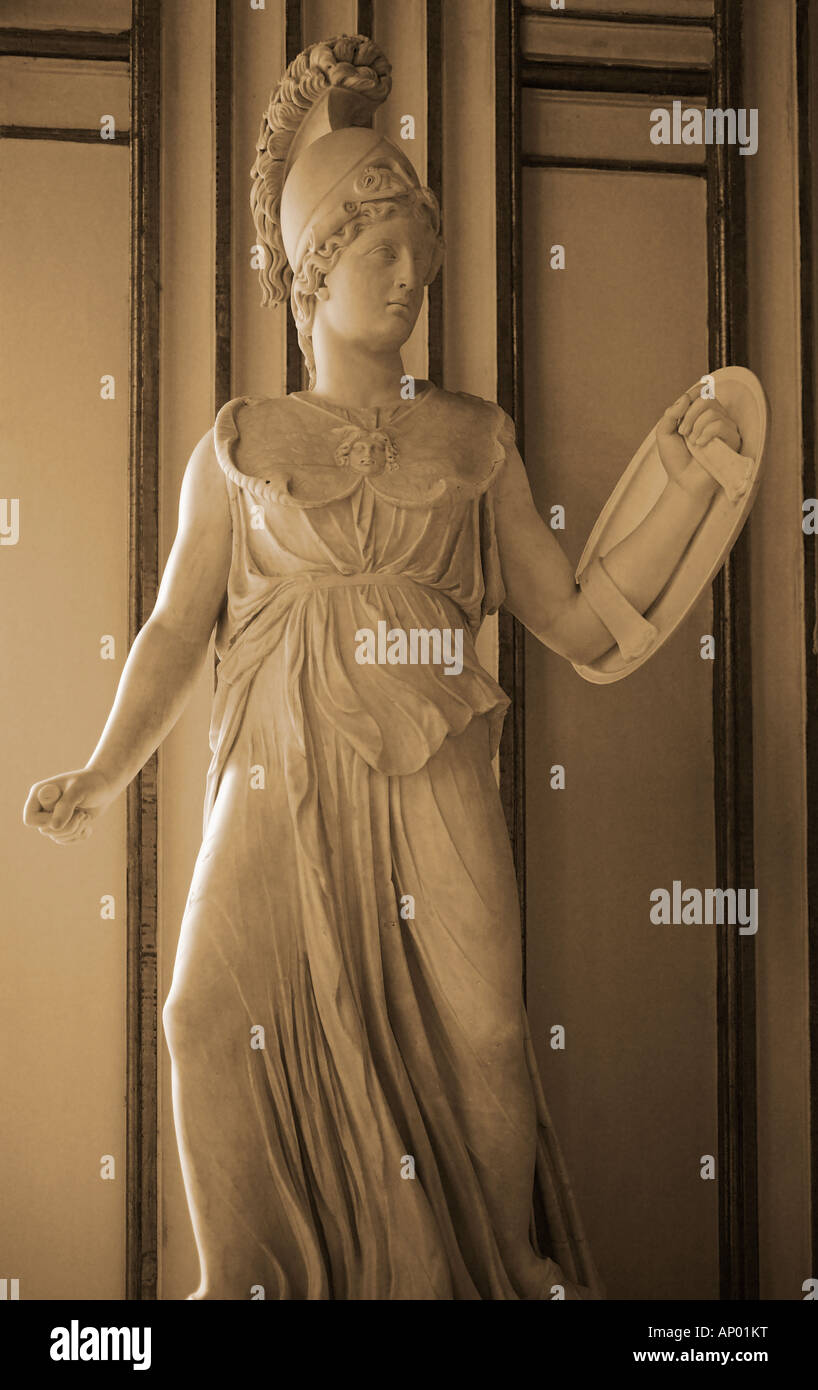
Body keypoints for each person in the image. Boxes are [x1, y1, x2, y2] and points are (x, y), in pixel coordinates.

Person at [23, 35, 744, 1300]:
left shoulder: (471, 438)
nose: (411, 276)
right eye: (380, 253)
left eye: (419, 250)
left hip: (430, 753)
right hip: (273, 762)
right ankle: (237, 1282)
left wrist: (684, 480)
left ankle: (505, 1269)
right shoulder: (237, 447)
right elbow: (173, 631)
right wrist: (100, 769)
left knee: (485, 1026)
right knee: (202, 1014)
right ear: (313, 277)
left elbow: (575, 621)